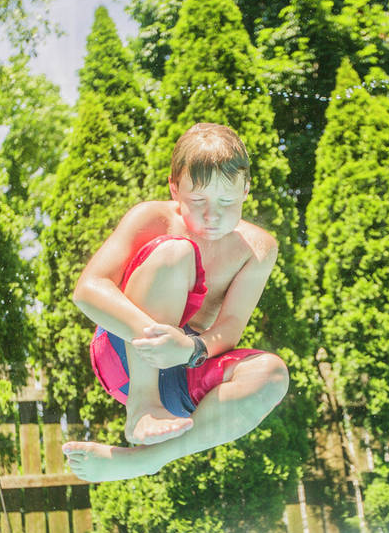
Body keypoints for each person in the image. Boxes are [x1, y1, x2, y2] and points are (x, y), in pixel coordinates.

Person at [62, 122, 290, 482]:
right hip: (123, 358)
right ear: (174, 187)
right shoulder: (154, 218)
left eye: (227, 201)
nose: (212, 215)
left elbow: (230, 327)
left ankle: (146, 460)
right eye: (197, 201)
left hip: (186, 367)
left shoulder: (258, 249)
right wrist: (156, 338)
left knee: (271, 374)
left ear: (246, 190)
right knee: (176, 252)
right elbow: (87, 290)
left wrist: (187, 349)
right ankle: (142, 403)